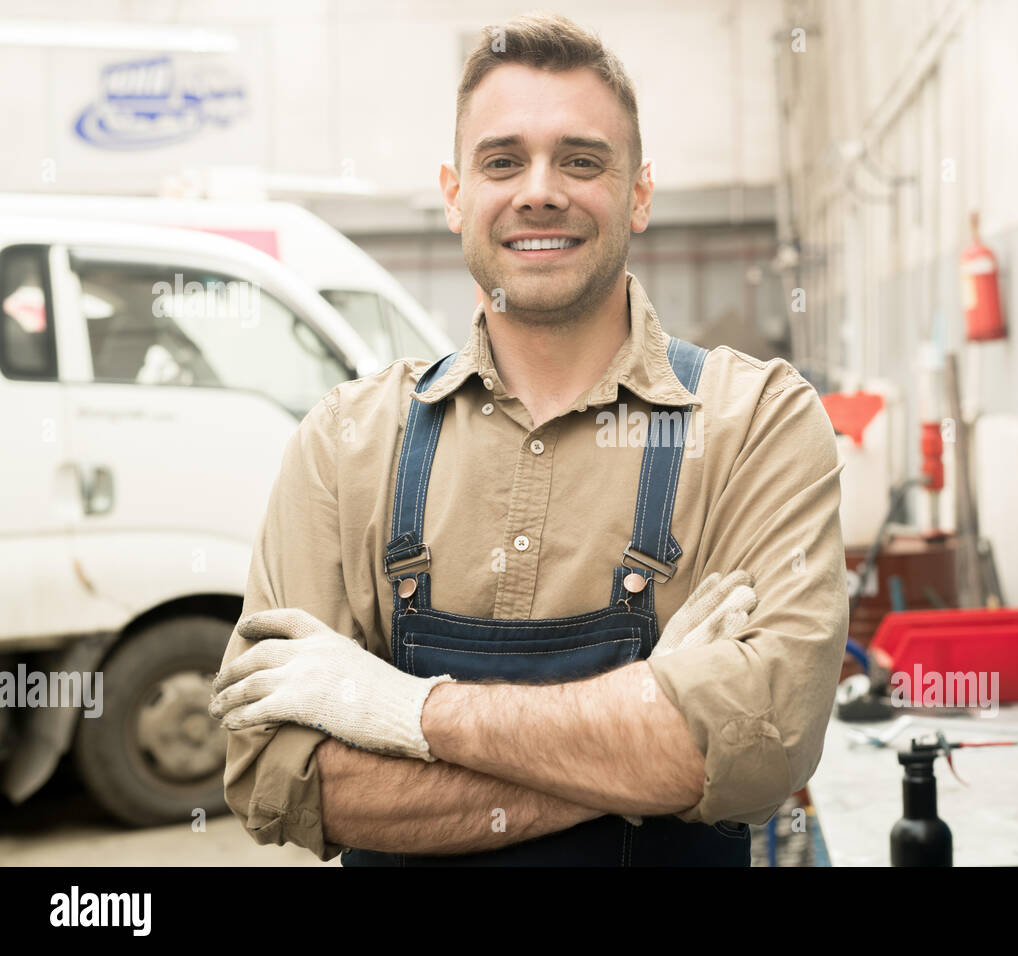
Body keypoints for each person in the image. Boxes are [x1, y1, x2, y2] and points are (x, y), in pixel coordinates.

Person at [209, 12, 848, 866]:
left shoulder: (757, 422)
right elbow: (272, 774)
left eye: (582, 160)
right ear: (454, 195)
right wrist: (650, 728)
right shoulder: (346, 444)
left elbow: (762, 747)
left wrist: (397, 711)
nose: (540, 190)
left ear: (640, 194)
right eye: (502, 161)